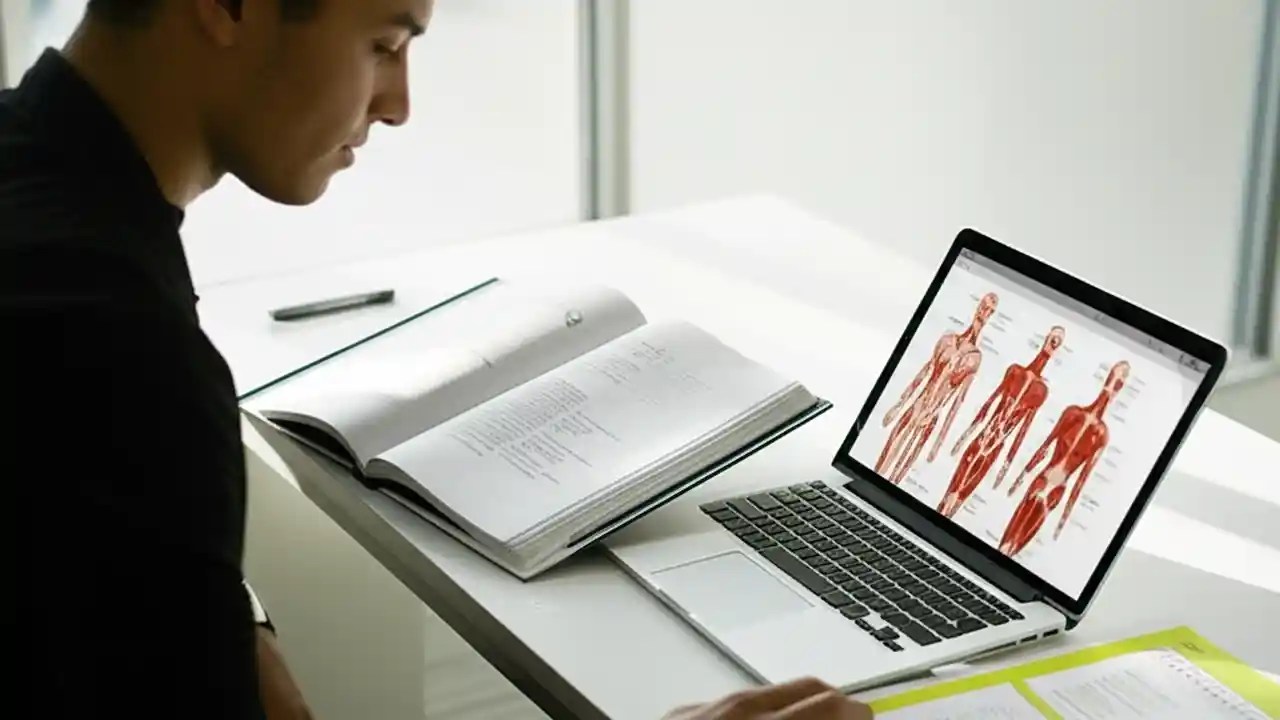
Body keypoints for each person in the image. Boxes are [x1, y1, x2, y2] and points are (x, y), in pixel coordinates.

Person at [1, 1, 875, 718]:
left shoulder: (46, 190)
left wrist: (227, 628)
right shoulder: (110, 336)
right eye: (384, 44)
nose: (398, 105)